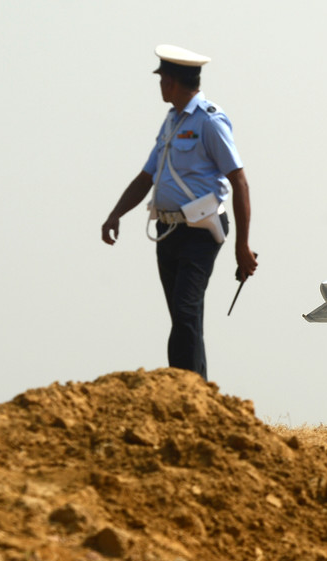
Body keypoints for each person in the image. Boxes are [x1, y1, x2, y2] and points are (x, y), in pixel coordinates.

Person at [101, 44, 257, 380]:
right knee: (184, 317)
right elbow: (146, 176)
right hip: (168, 231)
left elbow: (239, 183)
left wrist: (241, 246)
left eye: (162, 79)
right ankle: (196, 395)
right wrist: (115, 214)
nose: (159, 85)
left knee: (186, 314)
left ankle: (182, 393)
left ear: (173, 82)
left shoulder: (210, 122)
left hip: (200, 232)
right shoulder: (171, 122)